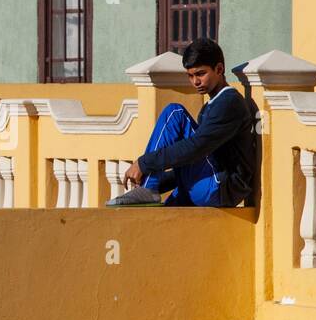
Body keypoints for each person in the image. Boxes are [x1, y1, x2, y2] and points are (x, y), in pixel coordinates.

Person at [107, 38, 255, 207]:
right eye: (190, 76)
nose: (195, 82)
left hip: (221, 189)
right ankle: (149, 186)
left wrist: (144, 163)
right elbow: (196, 158)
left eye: (201, 74)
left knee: (175, 113)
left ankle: (149, 187)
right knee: (161, 220)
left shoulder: (229, 102)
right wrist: (156, 180)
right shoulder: (210, 107)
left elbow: (196, 147)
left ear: (219, 69)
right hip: (209, 187)